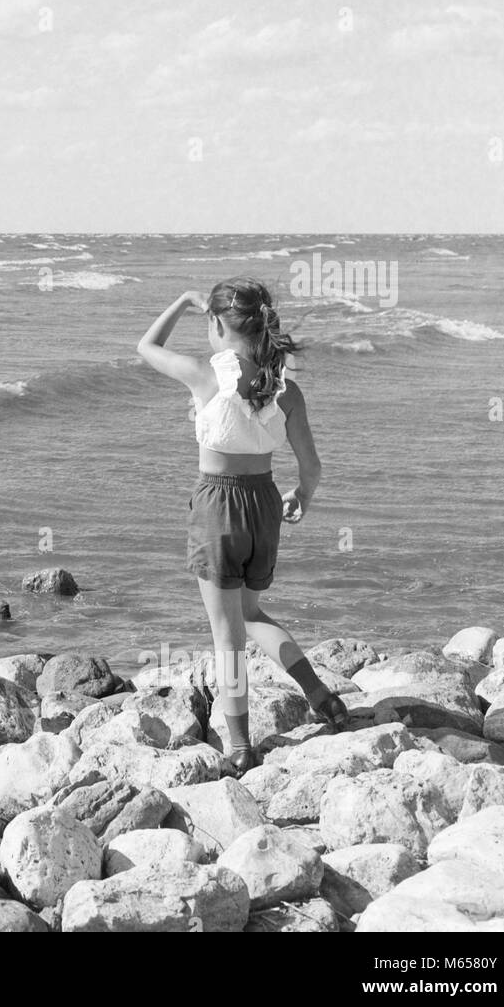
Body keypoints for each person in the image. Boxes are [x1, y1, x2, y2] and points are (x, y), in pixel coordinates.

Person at [137, 277, 347, 773]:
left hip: (218, 506)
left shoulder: (202, 376)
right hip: (265, 503)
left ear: (214, 325)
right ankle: (322, 696)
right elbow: (311, 466)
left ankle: (239, 748)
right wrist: (303, 496)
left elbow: (146, 346)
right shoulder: (285, 390)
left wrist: (181, 300)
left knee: (226, 636)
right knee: (251, 614)